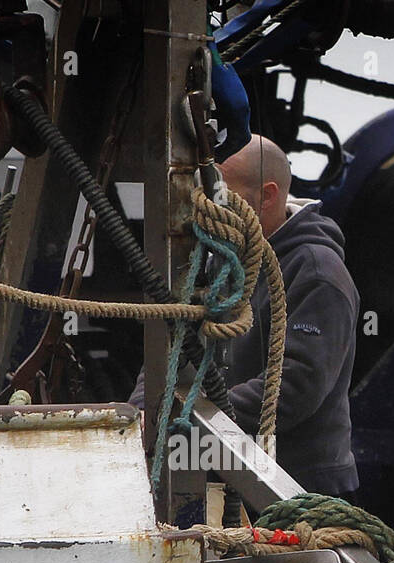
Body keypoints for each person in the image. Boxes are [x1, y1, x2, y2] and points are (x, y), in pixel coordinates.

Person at [132, 135, 360, 496]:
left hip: (296, 487)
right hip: (225, 469)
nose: (208, 204)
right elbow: (172, 347)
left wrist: (191, 417)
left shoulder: (317, 273)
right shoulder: (222, 258)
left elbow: (296, 386)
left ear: (267, 196)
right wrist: (141, 415)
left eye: (222, 193)